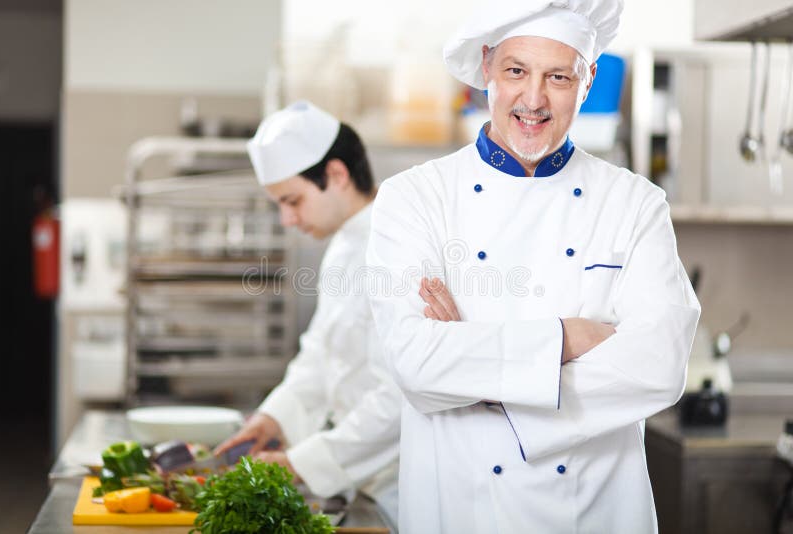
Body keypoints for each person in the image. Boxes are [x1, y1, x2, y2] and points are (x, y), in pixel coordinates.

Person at [365, 1, 700, 532]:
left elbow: (659, 366)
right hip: (459, 507)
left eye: (559, 77)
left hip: (595, 511)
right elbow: (415, 365)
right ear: (486, 72)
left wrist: (476, 365)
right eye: (516, 71)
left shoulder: (635, 204)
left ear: (588, 81)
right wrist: (566, 338)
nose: (534, 99)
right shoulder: (413, 199)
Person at [216, 100, 401, 522]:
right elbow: (320, 353)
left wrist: (302, 463)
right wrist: (273, 417)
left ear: (336, 175)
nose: (287, 219)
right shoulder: (342, 245)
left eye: (292, 200)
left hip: (398, 488)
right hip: (358, 481)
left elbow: (401, 396)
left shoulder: (398, 246)